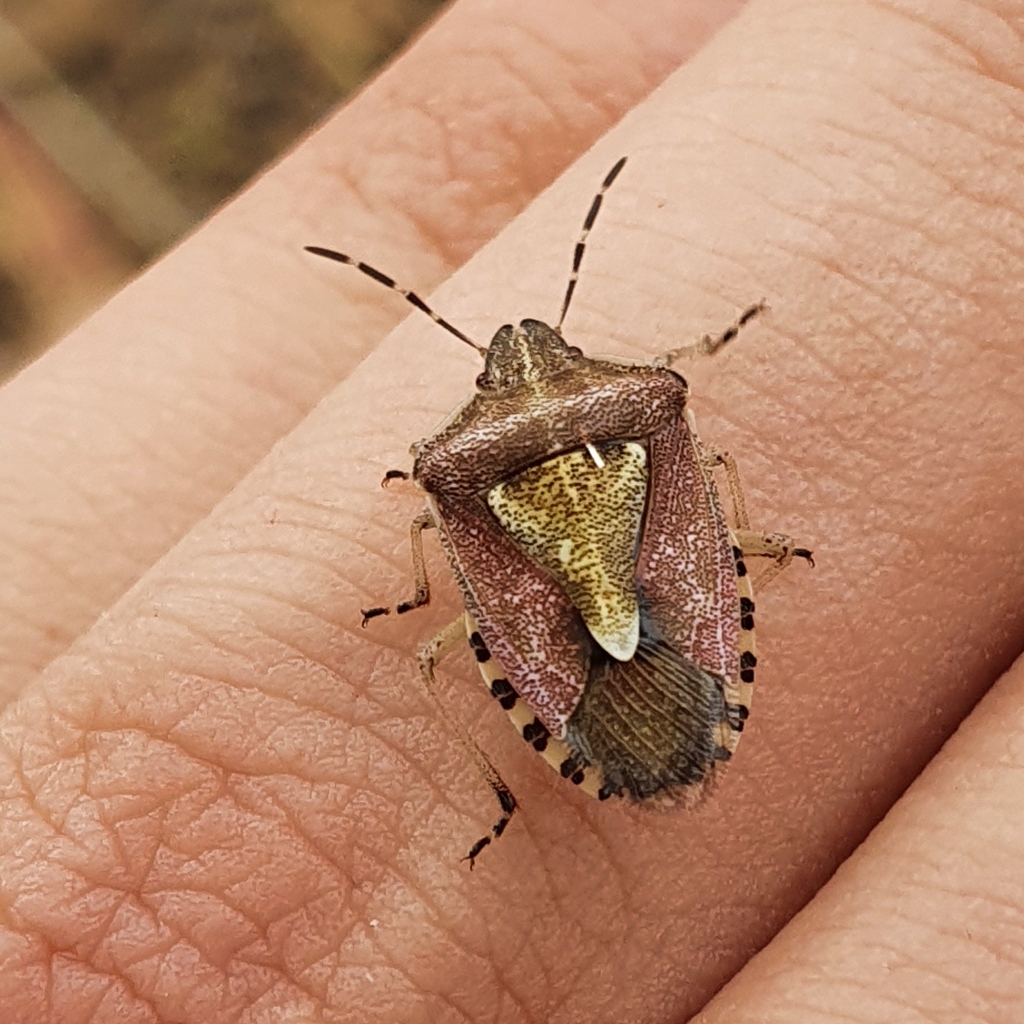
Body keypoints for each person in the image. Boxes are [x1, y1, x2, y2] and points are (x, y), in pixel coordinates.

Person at [1, 1, 1022, 1020]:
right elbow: (703, 457)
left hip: (557, 658)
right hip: (674, 576)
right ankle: (717, 599)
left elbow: (432, 526)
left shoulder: (453, 475)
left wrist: (417, 589)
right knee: (702, 471)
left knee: (428, 655)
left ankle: (498, 802)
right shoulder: (643, 405)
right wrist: (747, 535)